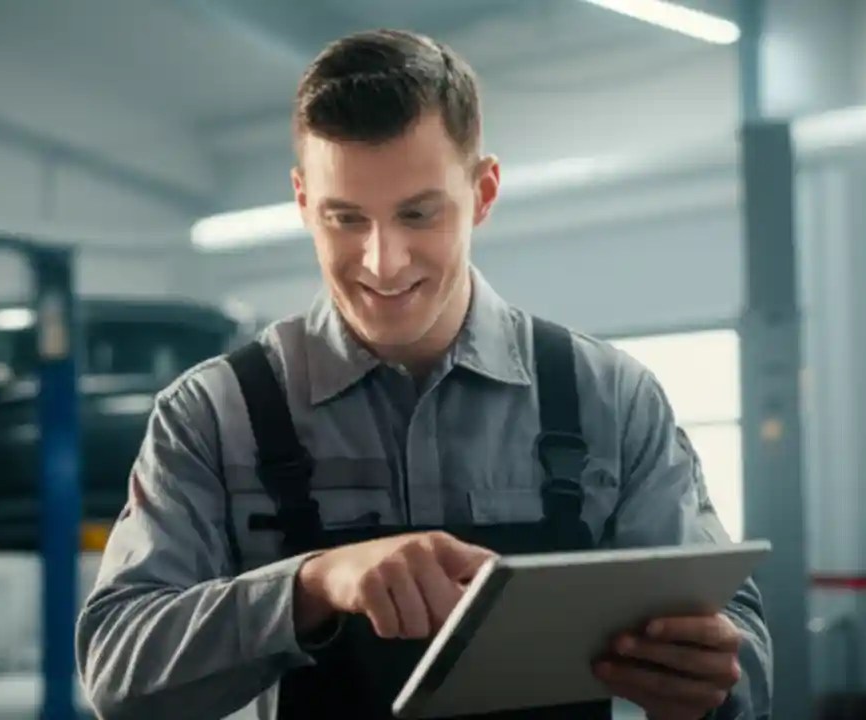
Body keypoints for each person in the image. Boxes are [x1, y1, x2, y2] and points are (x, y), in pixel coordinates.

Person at [77, 29, 772, 720]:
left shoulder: (610, 398)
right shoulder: (212, 414)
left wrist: (716, 679)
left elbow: (743, 656)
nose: (383, 261)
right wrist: (313, 586)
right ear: (300, 200)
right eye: (345, 219)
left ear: (484, 190)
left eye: (419, 213)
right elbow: (117, 672)